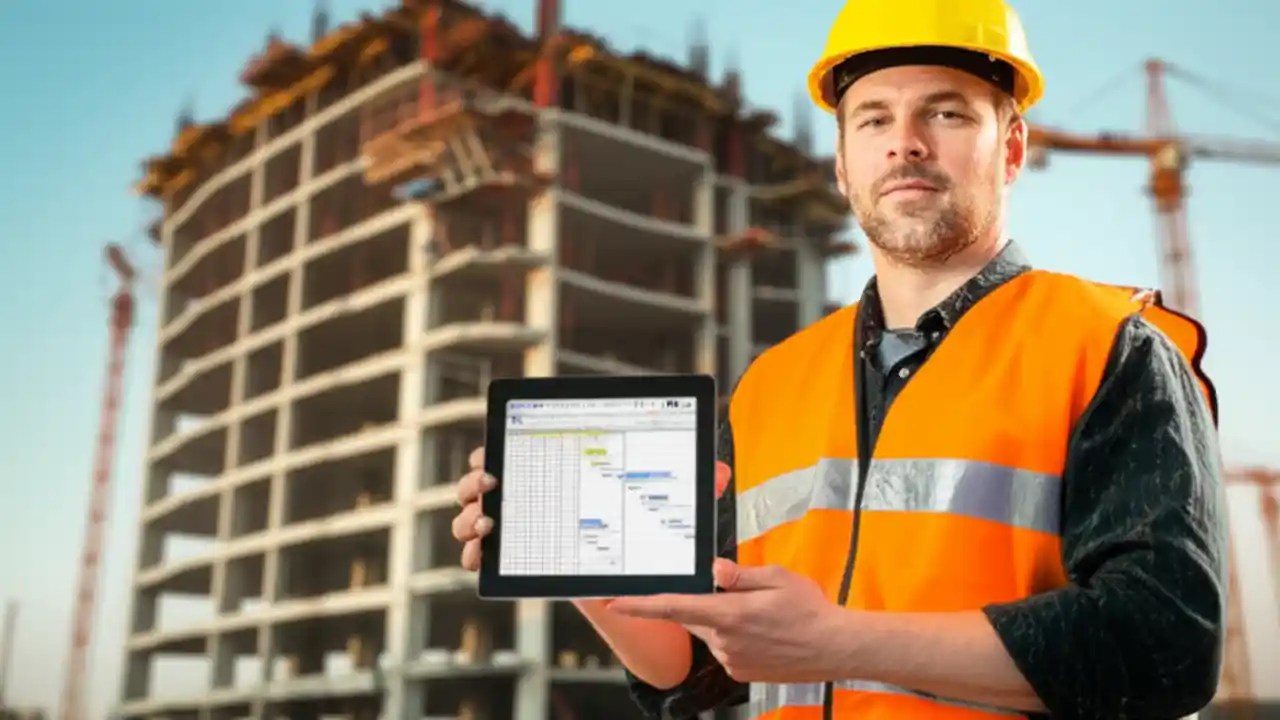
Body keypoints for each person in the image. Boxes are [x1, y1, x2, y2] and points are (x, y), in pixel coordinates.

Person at [451, 0, 1228, 717]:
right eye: (873, 119)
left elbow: (1163, 648)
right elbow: (695, 673)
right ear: (842, 163)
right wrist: (589, 563)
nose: (906, 141)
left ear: (1014, 146)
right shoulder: (772, 387)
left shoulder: (1106, 345)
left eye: (947, 113)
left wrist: (839, 639)